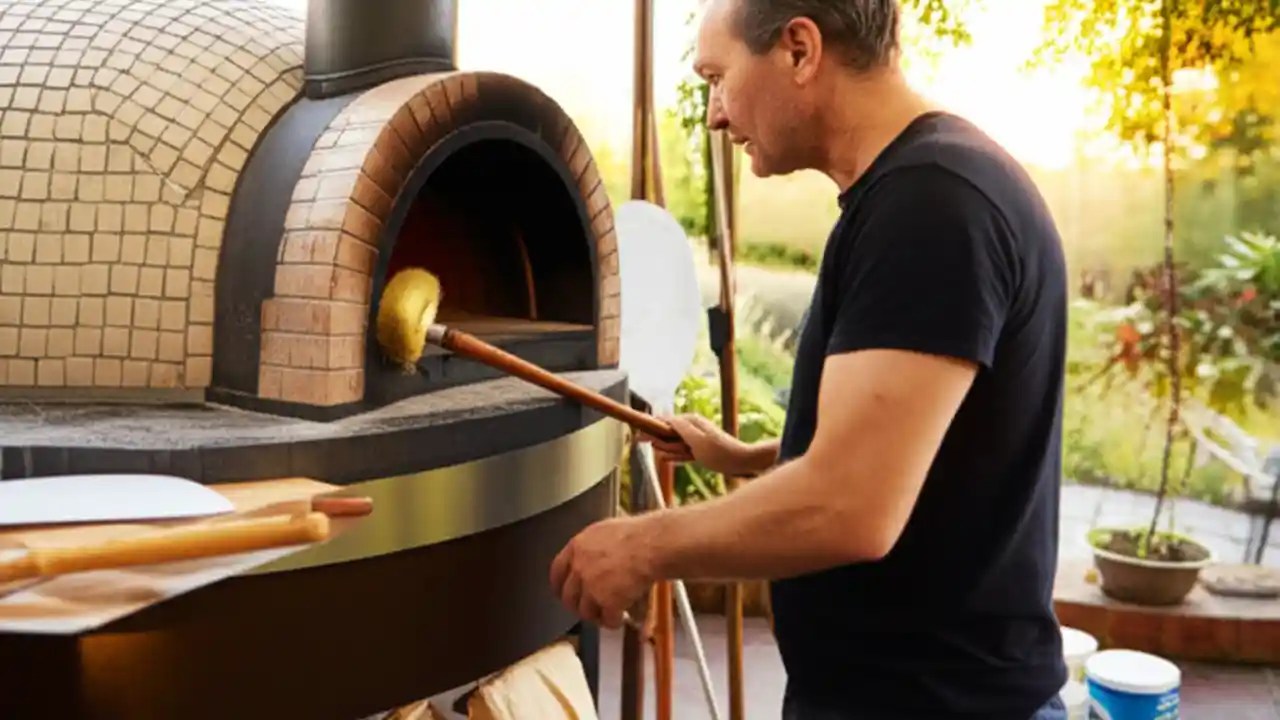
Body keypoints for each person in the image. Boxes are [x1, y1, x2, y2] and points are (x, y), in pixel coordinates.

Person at [548, 0, 1070, 717]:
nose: (715, 115)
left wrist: (645, 545)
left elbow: (852, 504)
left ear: (799, 50)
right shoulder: (923, 186)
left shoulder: (932, 205)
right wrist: (748, 457)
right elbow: (916, 449)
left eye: (717, 78)